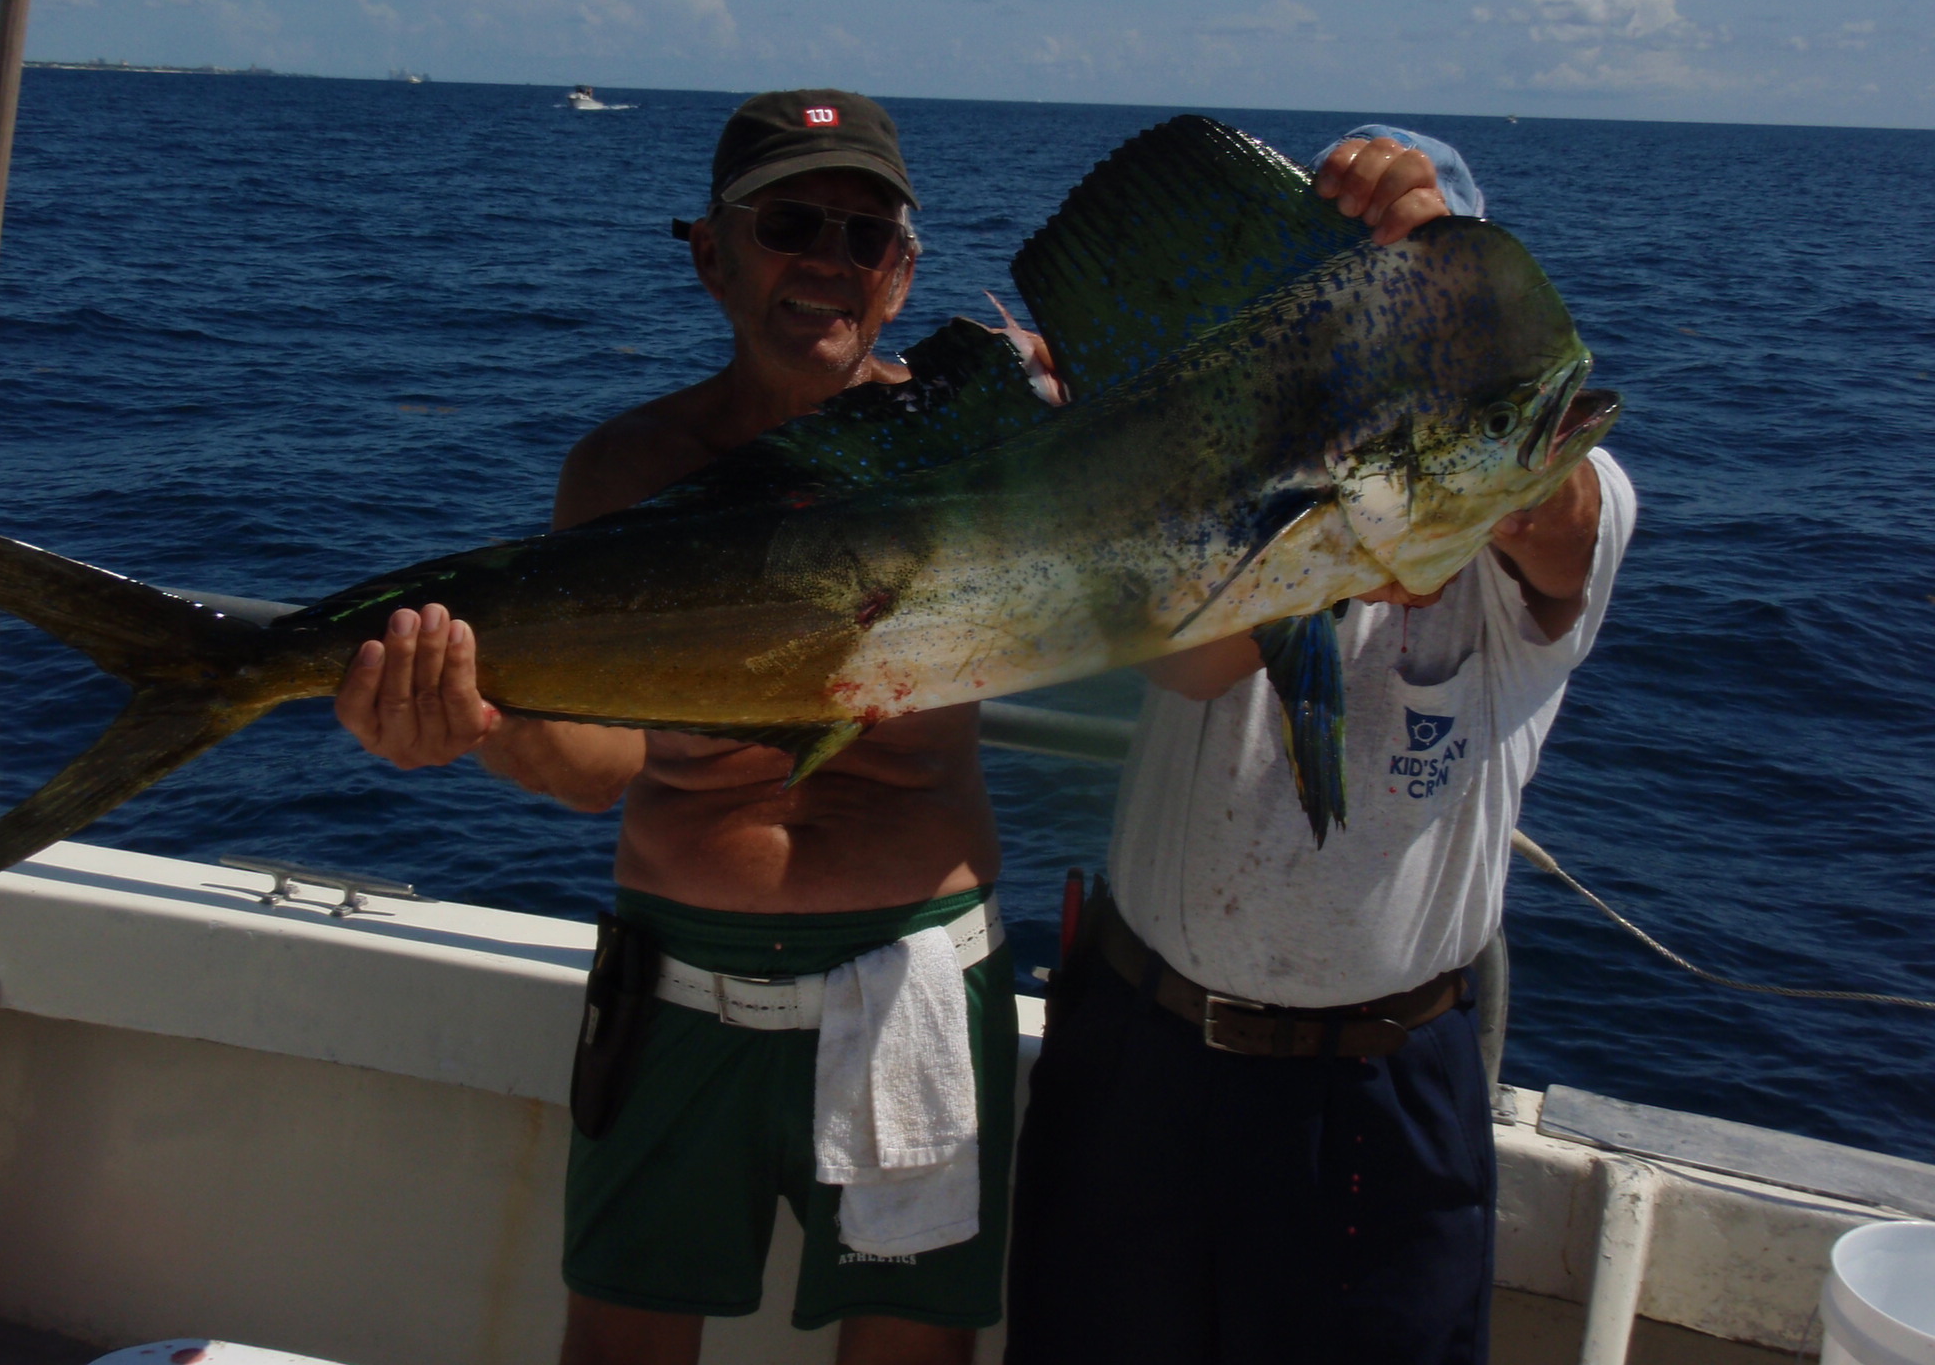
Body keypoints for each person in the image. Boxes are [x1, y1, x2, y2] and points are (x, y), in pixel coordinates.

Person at [335, 91, 1012, 1365]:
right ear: (712, 253)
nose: (828, 260)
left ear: (903, 275)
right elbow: (595, 768)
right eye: (791, 222)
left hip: (914, 973)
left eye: (864, 237)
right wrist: (475, 723)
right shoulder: (623, 471)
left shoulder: (983, 451)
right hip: (679, 984)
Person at [1005, 128, 1637, 1365]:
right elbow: (1182, 662)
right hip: (1137, 1059)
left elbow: (1560, 520)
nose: (1404, 351)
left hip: (1379, 1101)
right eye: (1370, 318)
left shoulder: (1557, 489)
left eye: (1444, 317)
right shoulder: (1228, 472)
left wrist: (1436, 281)